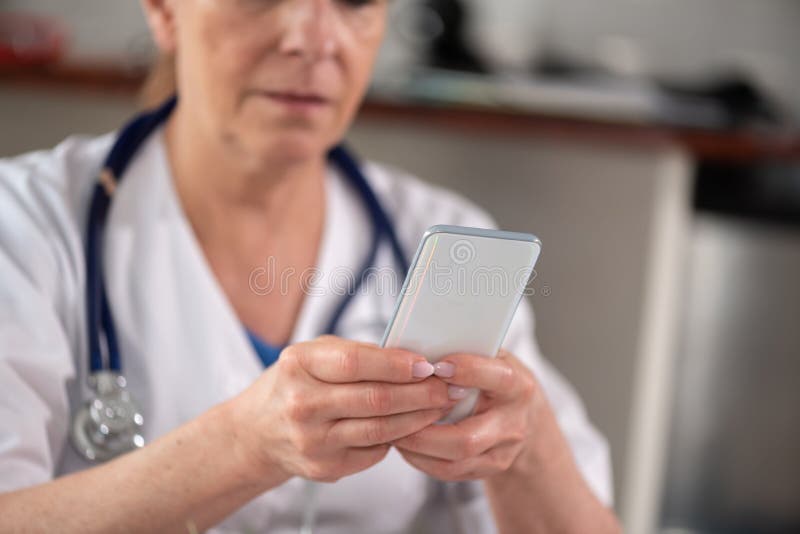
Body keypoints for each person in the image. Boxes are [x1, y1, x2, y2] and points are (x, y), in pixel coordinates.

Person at [0, 1, 620, 532]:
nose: (313, 40)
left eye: (353, 1)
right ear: (164, 9)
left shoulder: (444, 242)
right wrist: (242, 448)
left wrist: (528, 443)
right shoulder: (26, 226)